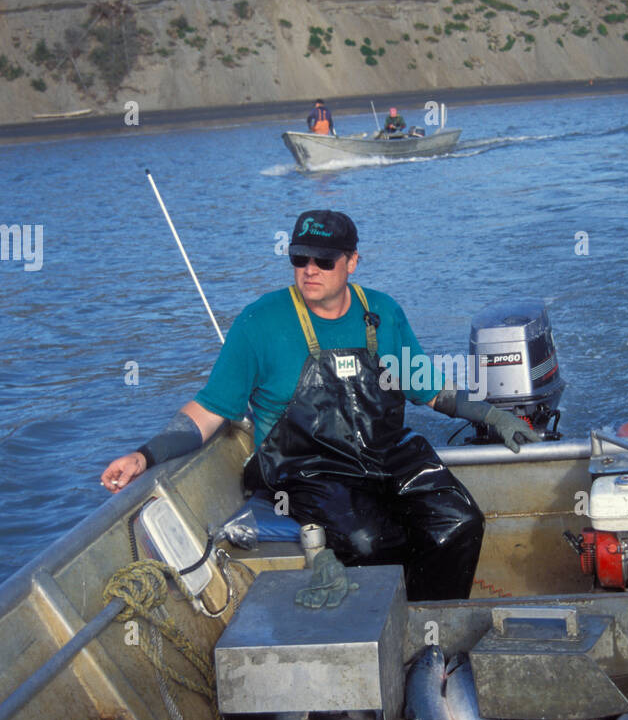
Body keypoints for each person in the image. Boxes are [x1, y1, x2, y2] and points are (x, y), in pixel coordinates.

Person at [100, 211, 540, 601]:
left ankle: (432, 625)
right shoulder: (259, 322)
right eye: (299, 258)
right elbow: (209, 410)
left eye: (324, 261)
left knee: (459, 521)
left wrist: (491, 415)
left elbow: (427, 388)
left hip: (384, 454)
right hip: (304, 467)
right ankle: (383, 625)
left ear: (351, 262)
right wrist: (144, 454)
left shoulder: (383, 311)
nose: (310, 270)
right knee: (368, 539)